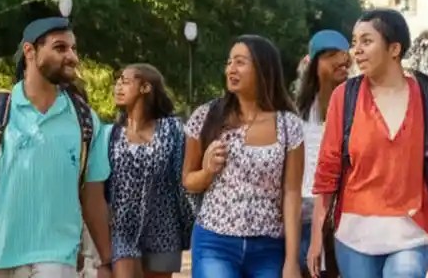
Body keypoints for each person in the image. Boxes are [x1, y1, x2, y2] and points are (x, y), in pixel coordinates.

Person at [0, 16, 113, 278]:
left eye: (73, 48)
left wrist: (107, 261)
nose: (72, 56)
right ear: (30, 51)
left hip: (56, 256)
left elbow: (93, 197)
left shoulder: (85, 120)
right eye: (60, 48)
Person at [308, 9, 428, 278]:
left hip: (410, 233)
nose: (356, 51)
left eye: (366, 41)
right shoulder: (345, 97)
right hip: (354, 235)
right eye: (354, 43)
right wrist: (317, 237)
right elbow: (327, 172)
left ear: (394, 48)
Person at [182, 36, 305, 278]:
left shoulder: (289, 125)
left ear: (262, 68)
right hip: (215, 242)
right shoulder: (206, 117)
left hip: (269, 247)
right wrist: (207, 171)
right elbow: (188, 180)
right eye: (229, 63)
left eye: (240, 62)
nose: (231, 69)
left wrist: (291, 261)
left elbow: (291, 193)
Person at [108, 64, 195, 278]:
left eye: (125, 81)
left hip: (164, 230)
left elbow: (183, 181)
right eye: (118, 81)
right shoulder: (110, 134)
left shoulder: (172, 130)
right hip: (121, 229)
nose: (118, 86)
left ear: (145, 87)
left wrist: (192, 228)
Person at [295, 30, 352, 278]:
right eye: (331, 56)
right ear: (314, 63)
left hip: (342, 210)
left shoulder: (355, 104)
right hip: (303, 209)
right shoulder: (296, 110)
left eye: (344, 56)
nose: (341, 61)